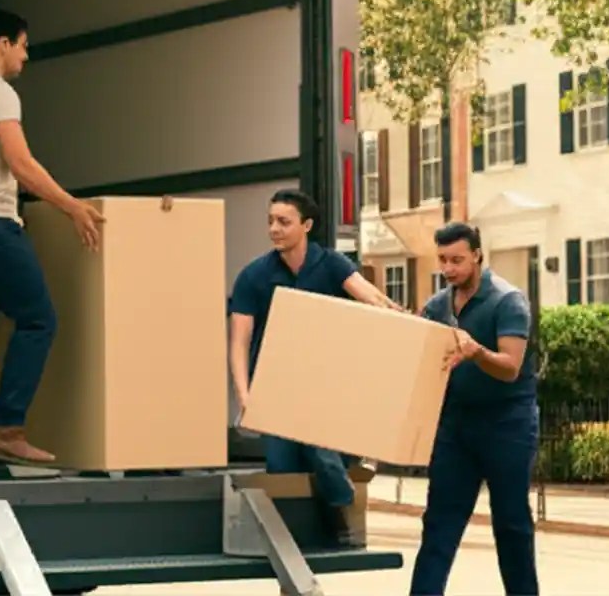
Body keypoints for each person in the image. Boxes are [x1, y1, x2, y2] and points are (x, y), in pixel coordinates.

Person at [0, 8, 106, 466]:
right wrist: (72, 206)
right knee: (39, 320)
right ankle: (7, 428)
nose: (26, 56)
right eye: (24, 45)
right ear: (3, 45)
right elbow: (21, 163)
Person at [228, 188, 403, 545]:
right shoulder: (254, 276)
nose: (274, 229)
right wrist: (245, 396)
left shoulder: (332, 264)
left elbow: (371, 297)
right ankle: (291, 546)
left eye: (283, 222)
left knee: (322, 453)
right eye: (270, 221)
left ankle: (343, 514)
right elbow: (239, 342)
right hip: (274, 391)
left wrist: (402, 321)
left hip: (324, 388)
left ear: (306, 225)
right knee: (282, 470)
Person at [410, 222, 540, 596]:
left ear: (478, 255)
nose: (448, 269)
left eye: (457, 260)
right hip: (456, 428)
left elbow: (511, 367)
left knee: (511, 524)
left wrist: (476, 352)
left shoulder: (508, 300)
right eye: (443, 261)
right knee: (438, 524)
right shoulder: (437, 307)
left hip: (507, 426)